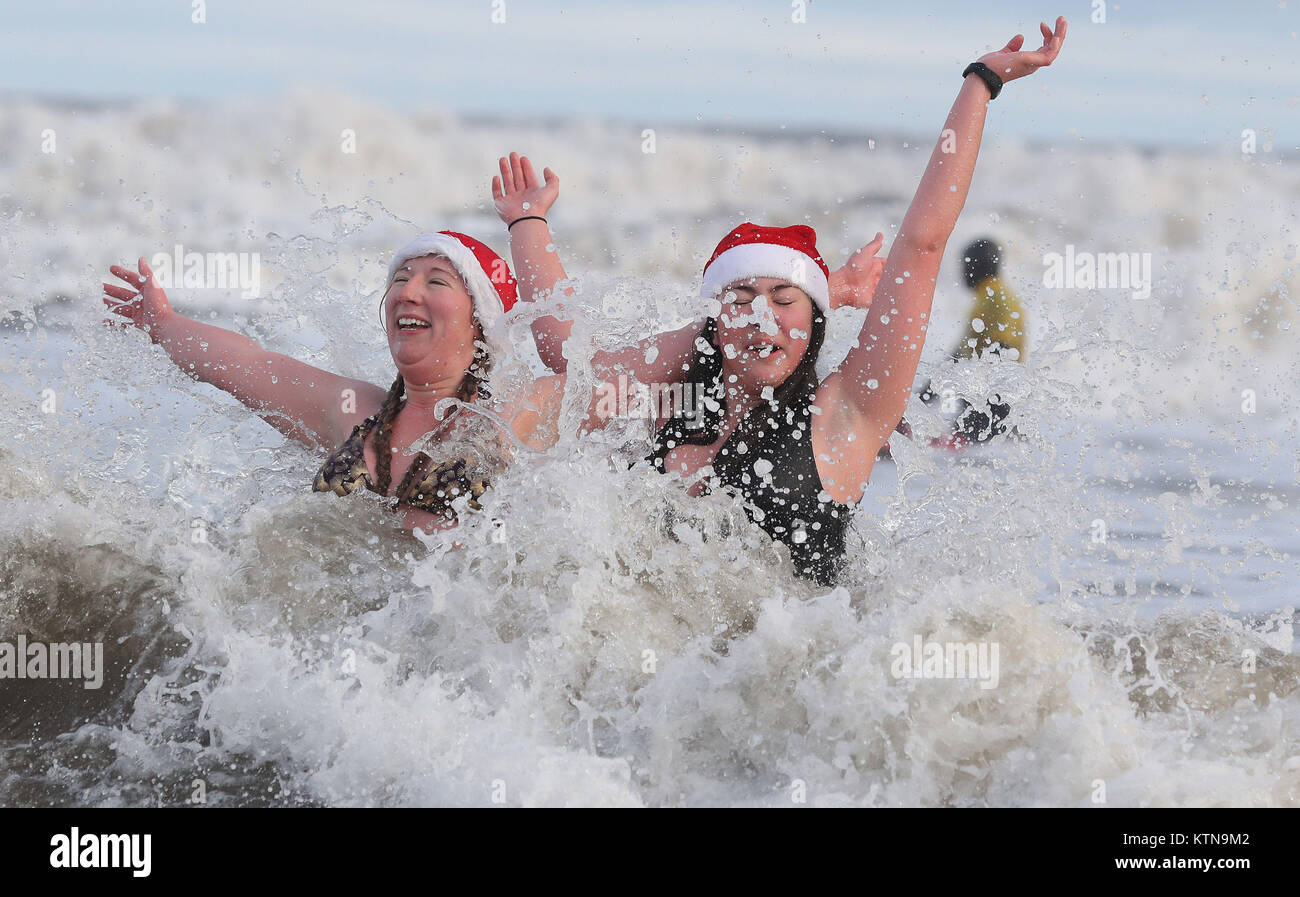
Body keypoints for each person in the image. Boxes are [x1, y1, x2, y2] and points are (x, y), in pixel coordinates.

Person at [492, 17, 1070, 584]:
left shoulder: (844, 418)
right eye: (740, 296)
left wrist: (981, 83)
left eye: (783, 297)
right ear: (714, 319)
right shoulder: (666, 403)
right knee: (534, 403)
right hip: (668, 665)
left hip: (791, 666)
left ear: (815, 320)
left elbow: (922, 245)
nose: (761, 312)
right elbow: (567, 358)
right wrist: (529, 222)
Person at [103, 231, 557, 535]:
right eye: (400, 279)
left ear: (481, 321)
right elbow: (249, 363)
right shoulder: (356, 411)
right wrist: (162, 323)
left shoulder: (517, 413)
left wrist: (528, 225)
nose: (406, 292)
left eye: (435, 281)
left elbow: (584, 364)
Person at [917, 236, 1026, 447]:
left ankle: (967, 434)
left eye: (966, 265)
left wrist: (925, 397)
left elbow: (1002, 351)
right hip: (1005, 393)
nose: (963, 272)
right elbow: (960, 354)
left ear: (978, 265)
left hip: (996, 397)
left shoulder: (993, 297)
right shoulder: (995, 294)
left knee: (971, 434)